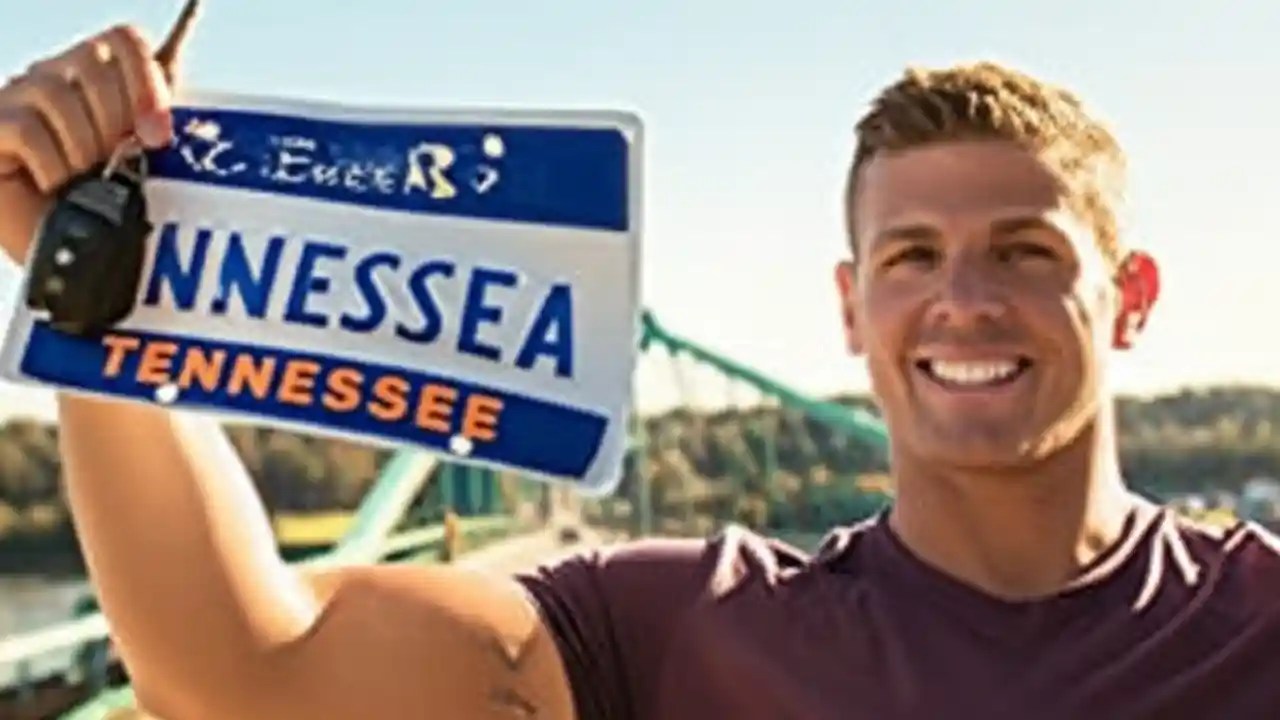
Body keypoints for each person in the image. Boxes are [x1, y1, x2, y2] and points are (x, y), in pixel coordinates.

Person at [1, 4, 1278, 719]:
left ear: (1130, 300)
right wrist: (109, 301)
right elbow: (240, 671)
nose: (961, 302)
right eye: (908, 260)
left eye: (1023, 252)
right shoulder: (696, 634)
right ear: (848, 307)